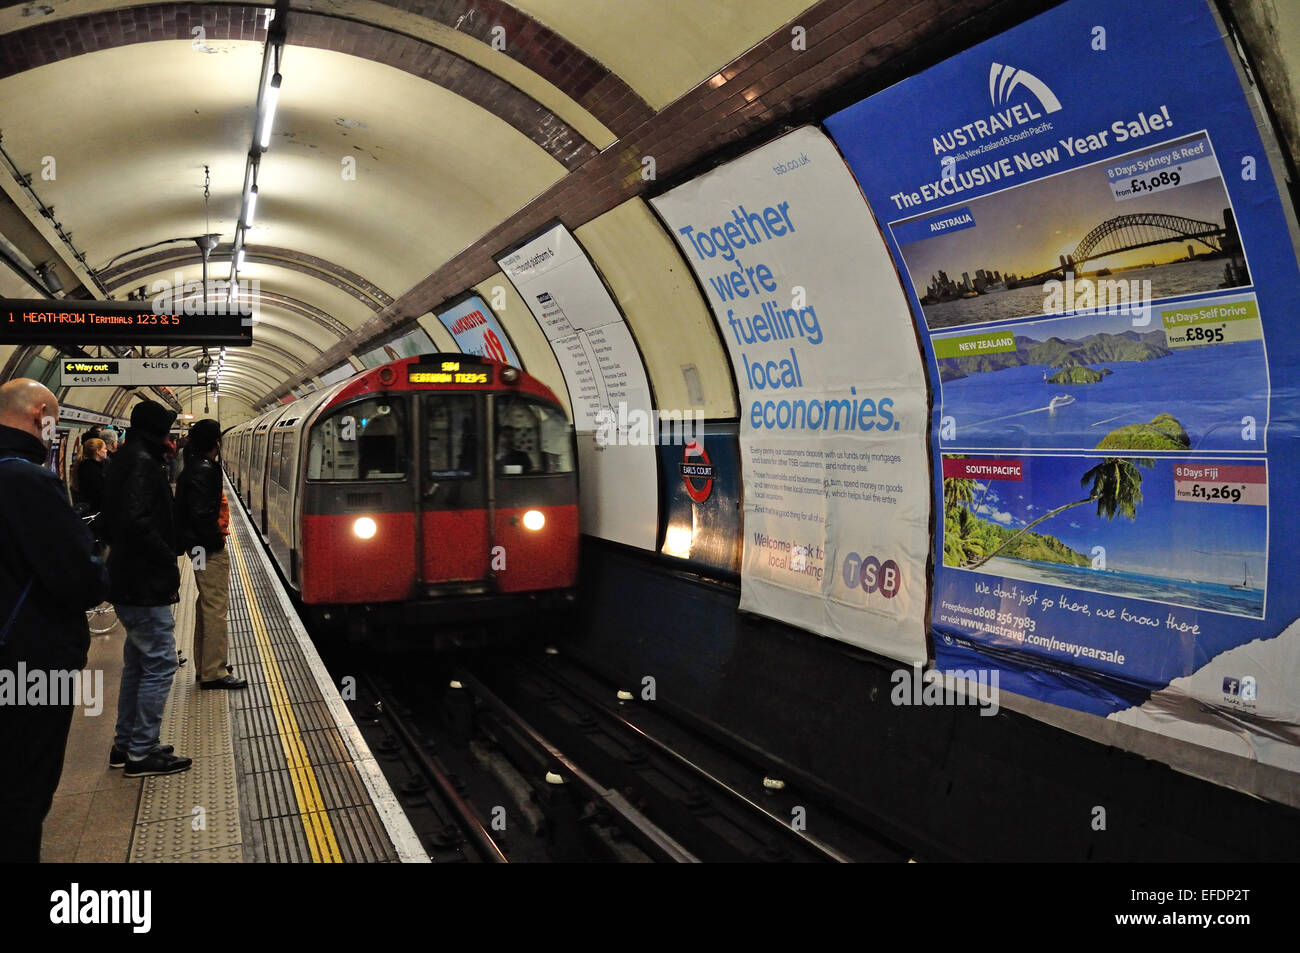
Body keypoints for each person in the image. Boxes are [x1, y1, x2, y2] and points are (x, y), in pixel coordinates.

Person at [0, 379, 109, 862]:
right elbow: (80, 580)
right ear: (40, 412)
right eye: (54, 421)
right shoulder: (27, 480)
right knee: (24, 791)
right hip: (31, 663)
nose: (54, 431)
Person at [102, 399, 192, 777]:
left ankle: (125, 745)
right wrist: (167, 557)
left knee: (138, 662)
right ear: (156, 429)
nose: (171, 436)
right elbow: (138, 522)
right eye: (167, 428)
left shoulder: (127, 457)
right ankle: (142, 751)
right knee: (160, 661)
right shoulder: (142, 462)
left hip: (126, 578)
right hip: (142, 581)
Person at [173, 419, 245, 690]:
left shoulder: (192, 466)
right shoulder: (204, 470)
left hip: (197, 547)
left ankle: (206, 666)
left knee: (206, 603)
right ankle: (214, 672)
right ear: (215, 442)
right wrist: (216, 541)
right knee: (215, 607)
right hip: (206, 547)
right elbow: (202, 516)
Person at [74, 437, 109, 514]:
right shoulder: (93, 470)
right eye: (104, 448)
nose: (106, 451)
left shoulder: (85, 465)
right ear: (98, 451)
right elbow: (97, 492)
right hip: (93, 509)